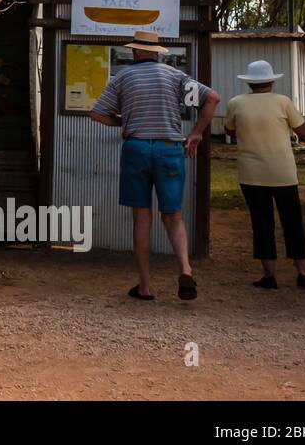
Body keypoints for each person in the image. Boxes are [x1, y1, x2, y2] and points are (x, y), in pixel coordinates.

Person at [90, 30, 219, 301]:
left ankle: (145, 287)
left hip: (136, 148)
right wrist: (196, 133)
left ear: (135, 51)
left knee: (142, 218)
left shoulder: (123, 77)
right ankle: (185, 268)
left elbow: (98, 114)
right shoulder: (174, 76)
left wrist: (122, 122)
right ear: (156, 52)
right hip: (169, 149)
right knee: (173, 216)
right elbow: (212, 98)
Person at [224, 60, 305, 289]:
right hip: (283, 172)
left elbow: (229, 129)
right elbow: (304, 132)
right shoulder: (283, 102)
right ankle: (303, 273)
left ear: (249, 82)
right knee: (292, 222)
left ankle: (269, 275)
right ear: (271, 81)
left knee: (261, 223)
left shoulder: (236, 103)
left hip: (251, 173)